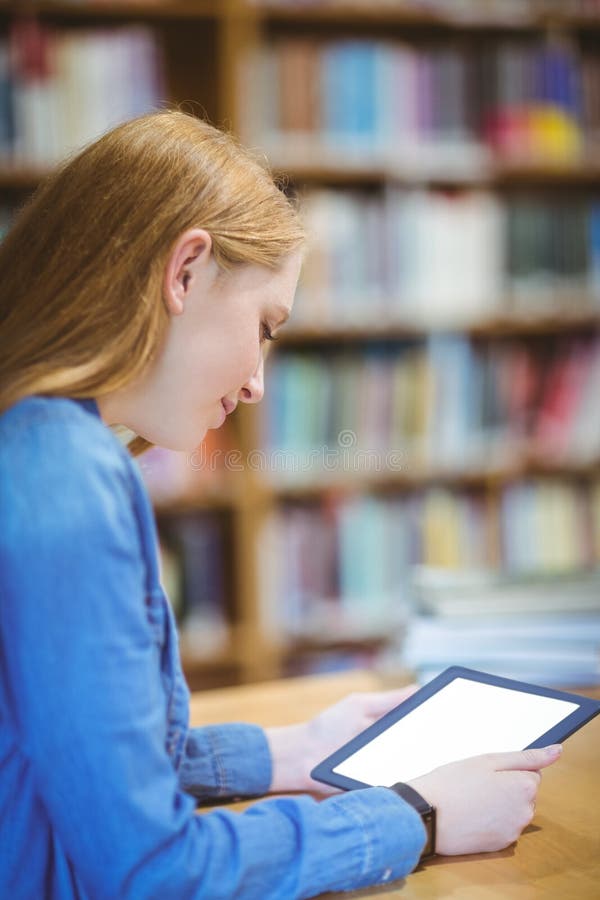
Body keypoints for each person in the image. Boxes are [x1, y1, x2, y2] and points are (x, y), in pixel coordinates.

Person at [0, 110, 562, 899]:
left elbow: (66, 749)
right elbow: (152, 870)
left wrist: (298, 749)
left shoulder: (32, 444)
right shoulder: (67, 480)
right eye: (265, 328)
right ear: (186, 270)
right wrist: (417, 815)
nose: (259, 383)